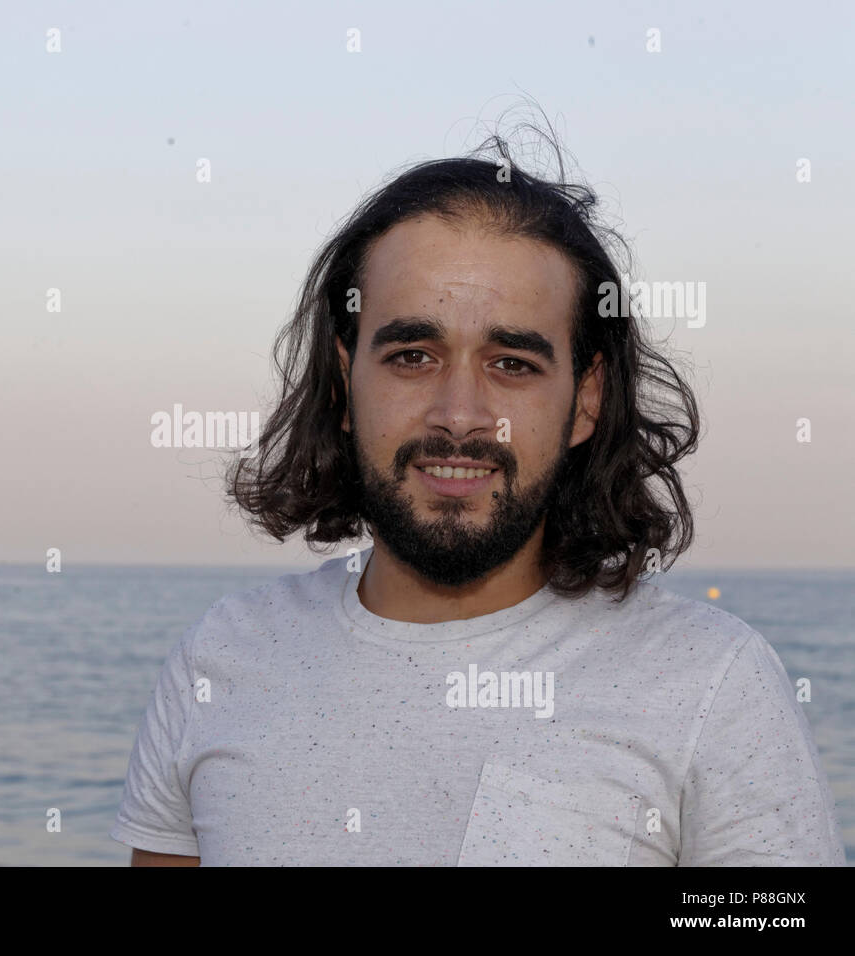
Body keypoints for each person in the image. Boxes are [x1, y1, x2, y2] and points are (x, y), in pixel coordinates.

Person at [109, 131, 846, 866]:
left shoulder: (714, 687)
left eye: (512, 363)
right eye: (412, 356)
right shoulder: (221, 661)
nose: (459, 414)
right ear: (343, 383)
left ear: (586, 400)